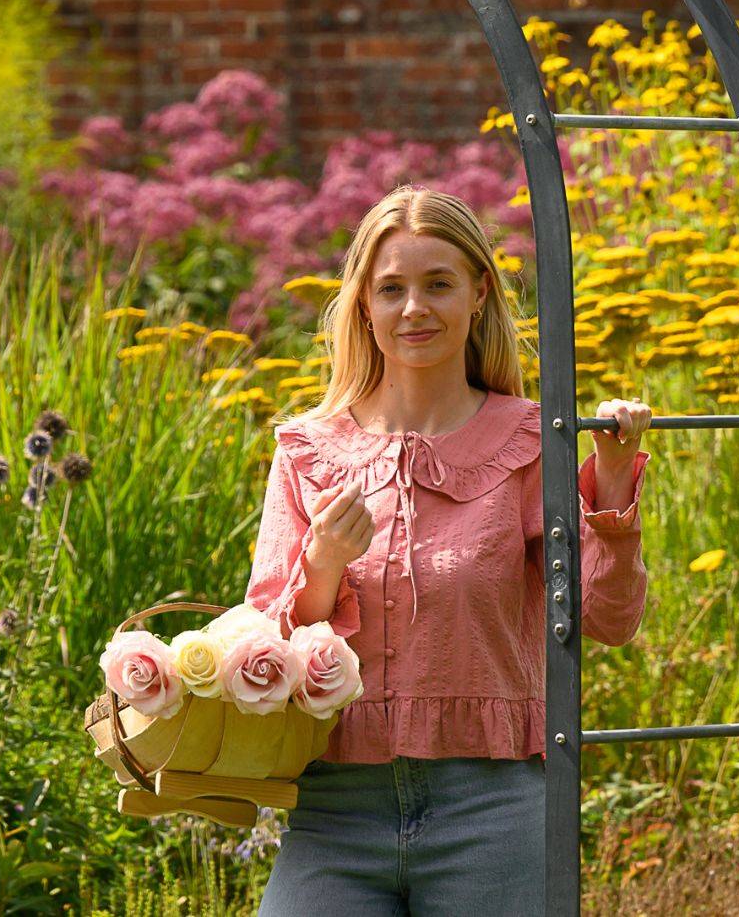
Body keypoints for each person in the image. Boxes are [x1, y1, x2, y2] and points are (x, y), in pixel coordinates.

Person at [246, 185, 653, 915]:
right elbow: (265, 646)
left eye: (438, 284)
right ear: (363, 307)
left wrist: (613, 486)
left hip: (494, 807)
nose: (414, 308)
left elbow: (610, 619)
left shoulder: (530, 440)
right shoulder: (307, 450)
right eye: (391, 288)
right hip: (333, 808)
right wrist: (325, 566)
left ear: (478, 293)